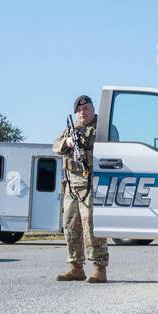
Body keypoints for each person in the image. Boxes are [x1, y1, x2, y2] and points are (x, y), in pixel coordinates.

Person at [52, 94, 109, 283]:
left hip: (92, 184)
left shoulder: (103, 129)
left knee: (91, 228)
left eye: (86, 109)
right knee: (70, 227)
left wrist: (87, 152)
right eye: (79, 110)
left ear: (93, 110)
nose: (82, 113)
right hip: (71, 186)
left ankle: (99, 268)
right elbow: (55, 146)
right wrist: (67, 143)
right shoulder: (70, 130)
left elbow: (111, 152)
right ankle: (76, 267)